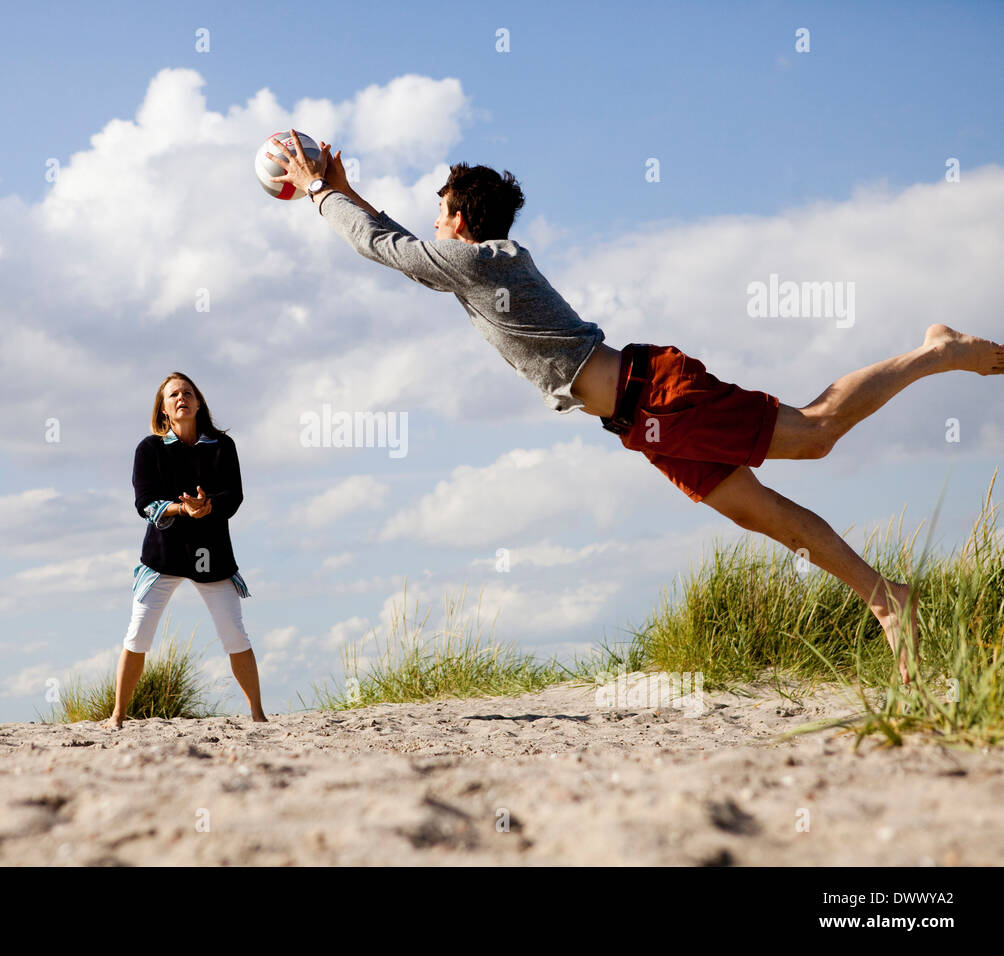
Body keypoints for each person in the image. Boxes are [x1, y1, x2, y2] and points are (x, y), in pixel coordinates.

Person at [267, 130, 1004, 684]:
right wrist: (341, 184)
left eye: (439, 211)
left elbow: (383, 247)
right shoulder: (476, 264)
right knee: (768, 515)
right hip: (639, 421)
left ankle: (936, 351)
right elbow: (392, 237)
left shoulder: (478, 262)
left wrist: (316, 189)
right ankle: (888, 600)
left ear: (460, 220)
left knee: (815, 433)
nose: (432, 222)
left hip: (659, 394)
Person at [101, 372, 266, 728]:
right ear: (163, 409)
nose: (182, 398)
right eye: (174, 394)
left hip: (212, 553)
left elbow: (233, 496)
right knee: (139, 632)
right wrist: (180, 508)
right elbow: (143, 501)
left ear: (199, 402)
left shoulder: (223, 446)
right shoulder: (150, 449)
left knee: (234, 633)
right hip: (162, 554)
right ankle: (118, 714)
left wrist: (208, 505)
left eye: (188, 392)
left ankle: (258, 712)